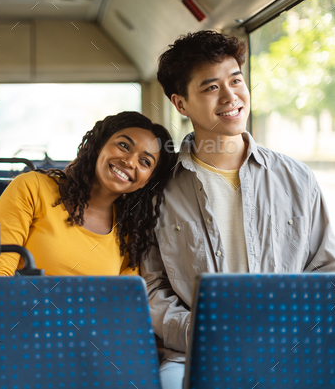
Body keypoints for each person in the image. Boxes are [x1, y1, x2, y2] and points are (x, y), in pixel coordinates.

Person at [142, 30, 335, 389]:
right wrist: (207, 333)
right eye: (211, 87)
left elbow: (325, 272)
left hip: (286, 347)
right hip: (191, 353)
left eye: (236, 81)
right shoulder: (156, 187)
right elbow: (152, 287)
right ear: (181, 104)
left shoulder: (297, 178)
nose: (231, 96)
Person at [0, 111, 176, 276]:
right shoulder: (31, 188)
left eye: (145, 161)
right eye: (124, 146)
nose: (130, 162)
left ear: (147, 181)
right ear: (100, 145)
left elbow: (119, 303)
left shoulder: (130, 234)